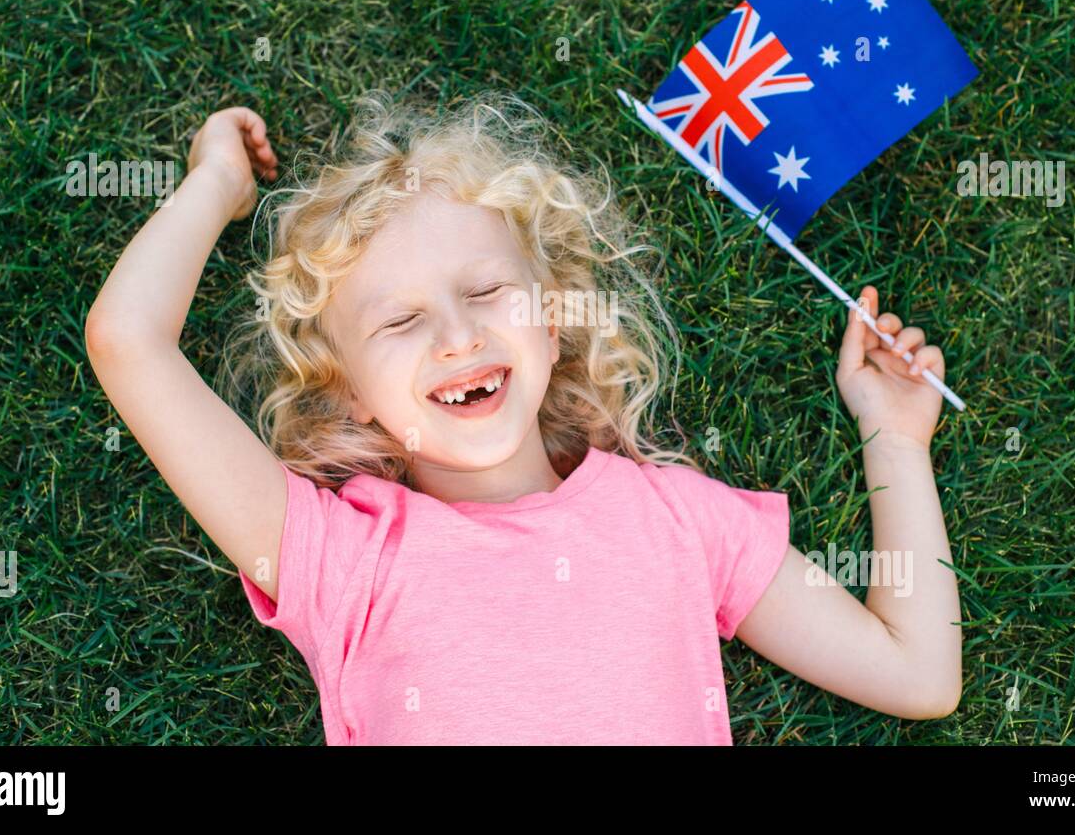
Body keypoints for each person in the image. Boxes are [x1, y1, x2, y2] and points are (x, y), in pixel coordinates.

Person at [84, 90, 961, 745]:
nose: (458, 335)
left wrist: (895, 437)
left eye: (485, 291)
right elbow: (128, 341)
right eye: (399, 321)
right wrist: (216, 182)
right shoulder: (345, 561)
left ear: (552, 317)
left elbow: (918, 672)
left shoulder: (677, 520)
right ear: (345, 387)